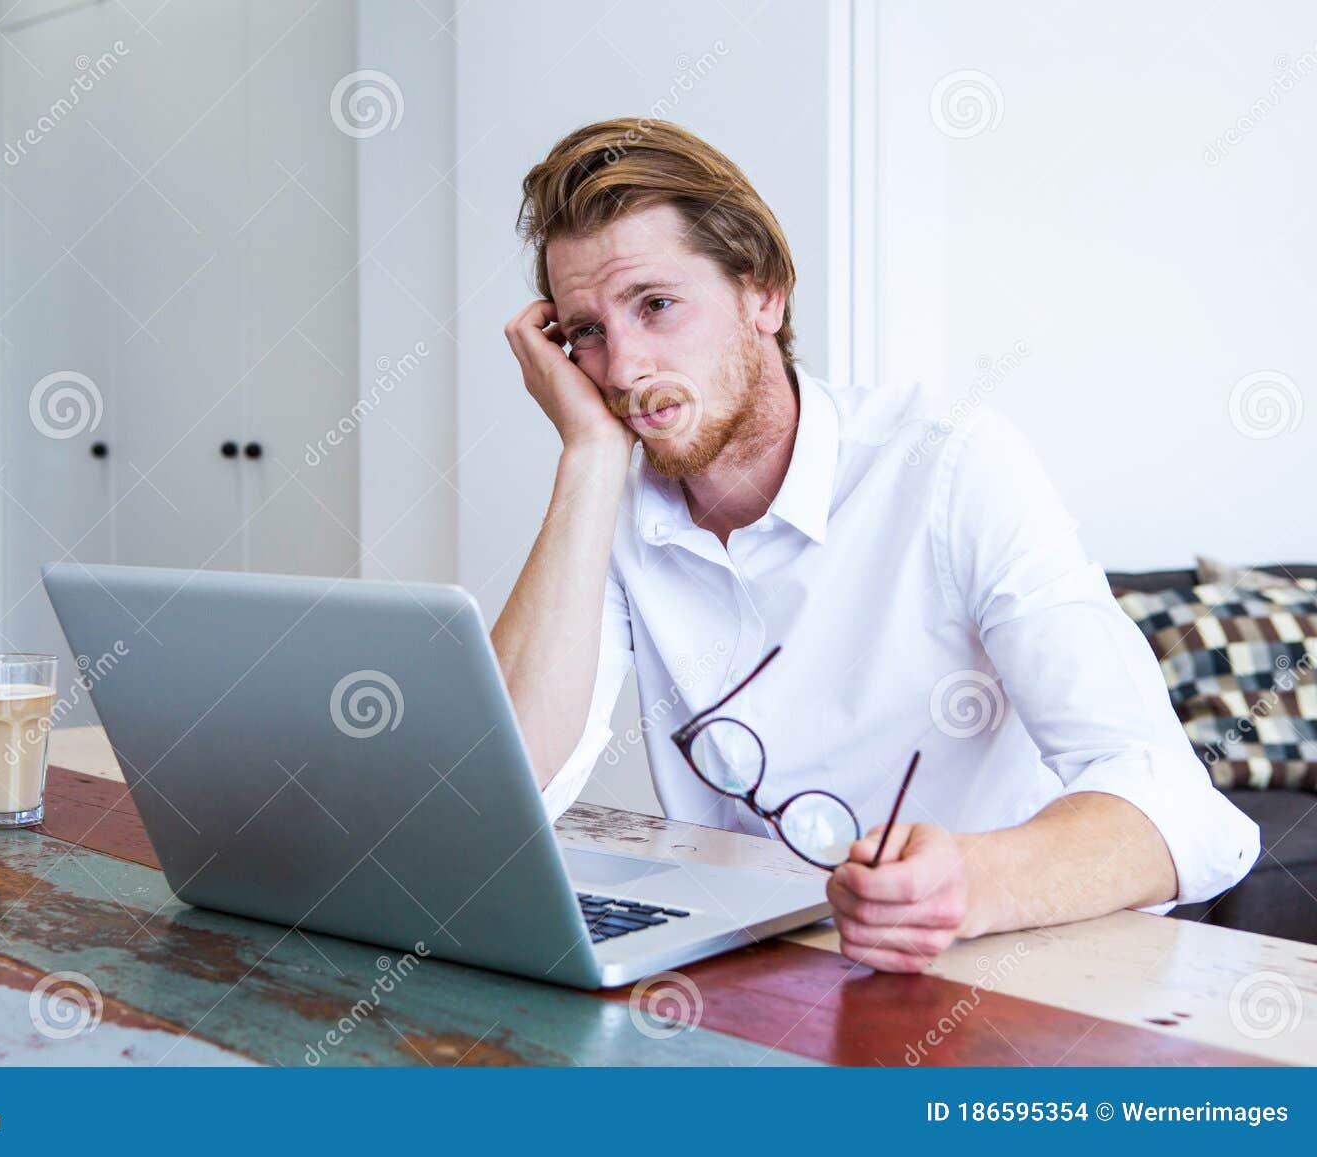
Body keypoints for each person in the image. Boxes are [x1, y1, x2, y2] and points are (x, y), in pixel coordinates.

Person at [491, 118, 1257, 974]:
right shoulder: (613, 502)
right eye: (585, 331)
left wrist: (966, 880)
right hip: (764, 977)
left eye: (656, 306)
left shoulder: (951, 463)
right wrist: (589, 457)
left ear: (764, 294)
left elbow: (1182, 810)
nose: (624, 368)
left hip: (999, 974)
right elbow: (501, 795)